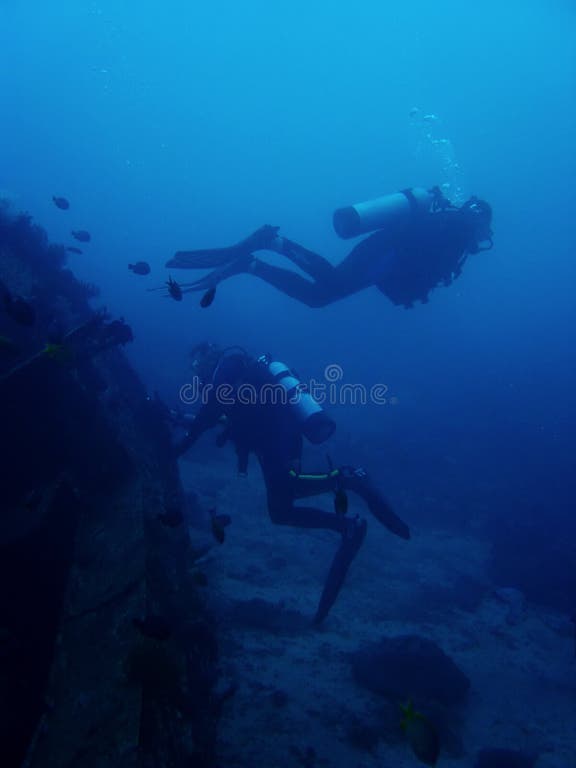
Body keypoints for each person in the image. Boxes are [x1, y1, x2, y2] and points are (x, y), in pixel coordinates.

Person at [175, 343, 410, 625]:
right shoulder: (230, 377)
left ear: (204, 358)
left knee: (290, 489)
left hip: (278, 437)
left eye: (195, 366)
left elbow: (206, 418)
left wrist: (176, 450)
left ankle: (349, 479)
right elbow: (217, 418)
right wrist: (177, 421)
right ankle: (347, 524)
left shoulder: (224, 369)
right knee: (281, 511)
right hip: (271, 440)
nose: (196, 372)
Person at [166, 186, 493, 309]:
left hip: (385, 257)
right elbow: (420, 256)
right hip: (385, 253)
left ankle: (252, 265)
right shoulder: (454, 231)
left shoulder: (453, 229)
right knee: (331, 285)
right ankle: (271, 242)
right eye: (484, 229)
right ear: (478, 222)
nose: (483, 235)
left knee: (319, 298)